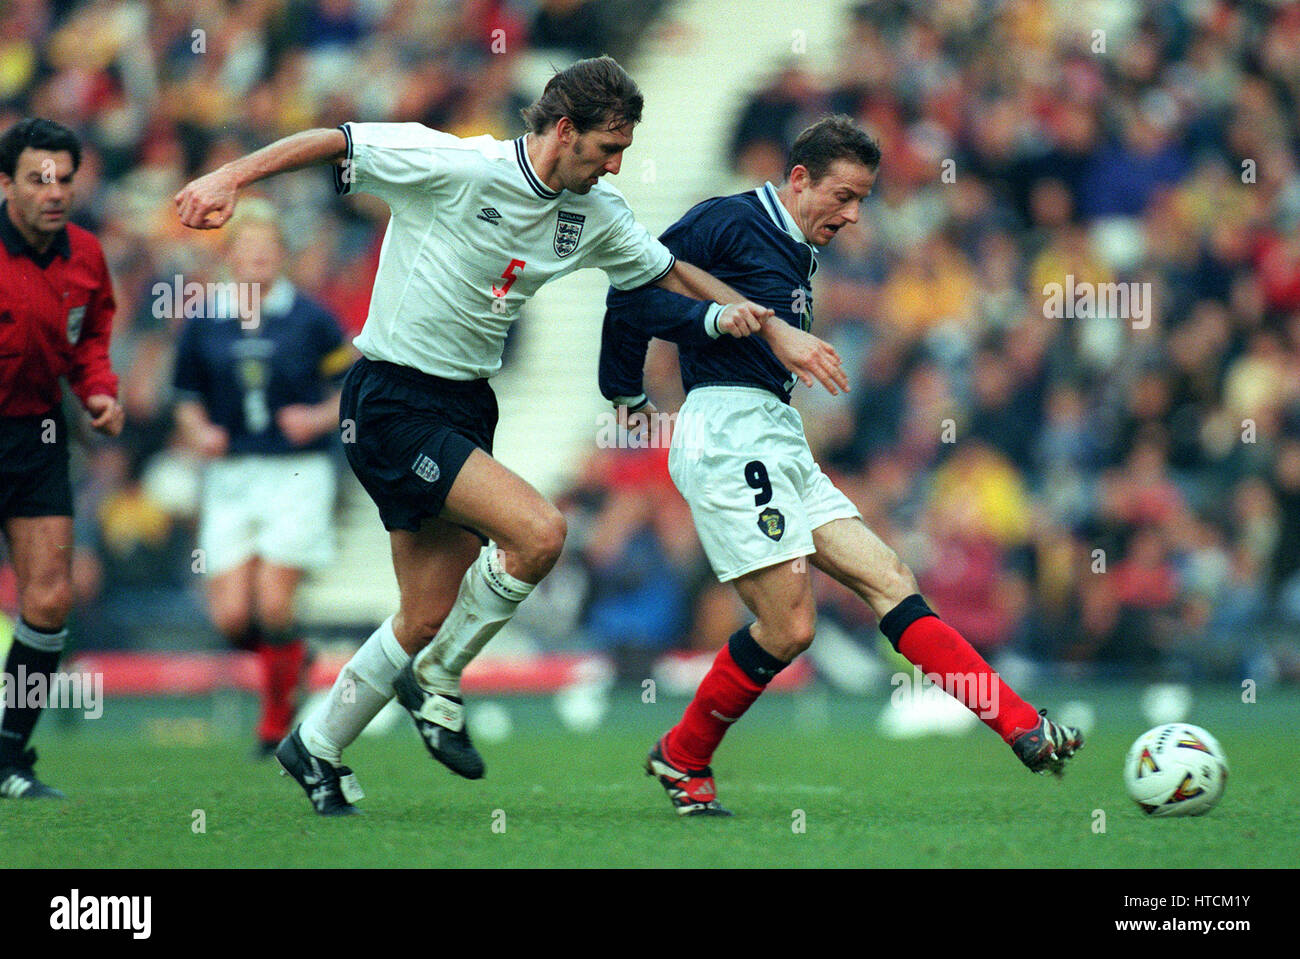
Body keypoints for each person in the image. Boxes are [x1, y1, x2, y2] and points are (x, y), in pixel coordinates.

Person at [174, 56, 842, 815]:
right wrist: (229, 176)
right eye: (606, 147)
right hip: (391, 397)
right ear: (563, 130)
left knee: (424, 612)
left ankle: (315, 745)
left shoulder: (594, 212)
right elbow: (335, 139)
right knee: (538, 532)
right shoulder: (457, 162)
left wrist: (778, 332)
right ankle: (442, 681)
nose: (617, 164)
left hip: (466, 404)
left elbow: (669, 274)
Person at [599, 115, 1084, 816]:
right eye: (845, 196)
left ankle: (1022, 725)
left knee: (888, 575)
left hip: (776, 434)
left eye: (863, 201)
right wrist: (625, 389)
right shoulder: (728, 221)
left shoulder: (798, 252)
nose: (854, 215)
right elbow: (633, 289)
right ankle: (683, 754)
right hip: (728, 434)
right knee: (792, 627)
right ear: (800, 180)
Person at [172, 198, 352, 757]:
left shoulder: (311, 319)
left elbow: (353, 389)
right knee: (231, 618)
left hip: (296, 473)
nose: (257, 260)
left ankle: (275, 721)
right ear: (229, 256)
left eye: (268, 250)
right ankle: (292, 661)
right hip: (230, 475)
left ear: (282, 256)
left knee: (274, 606)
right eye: (247, 250)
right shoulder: (205, 321)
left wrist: (318, 417)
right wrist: (199, 431)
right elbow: (184, 397)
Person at [0, 118, 124, 799]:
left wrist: (99, 393)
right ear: (6, 184)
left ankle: (9, 755)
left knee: (49, 596)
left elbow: (90, 340)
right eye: (38, 178)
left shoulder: (86, 256)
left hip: (36, 435)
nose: (55, 192)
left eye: (65, 179)